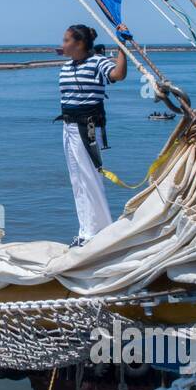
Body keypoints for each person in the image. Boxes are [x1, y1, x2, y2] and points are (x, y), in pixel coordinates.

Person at [56, 23, 129, 246]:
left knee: (91, 178)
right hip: (68, 126)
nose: (63, 44)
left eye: (67, 40)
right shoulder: (70, 65)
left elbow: (118, 74)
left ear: (79, 43)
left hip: (86, 126)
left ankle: (100, 232)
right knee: (77, 180)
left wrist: (121, 46)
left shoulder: (97, 62)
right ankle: (86, 230)